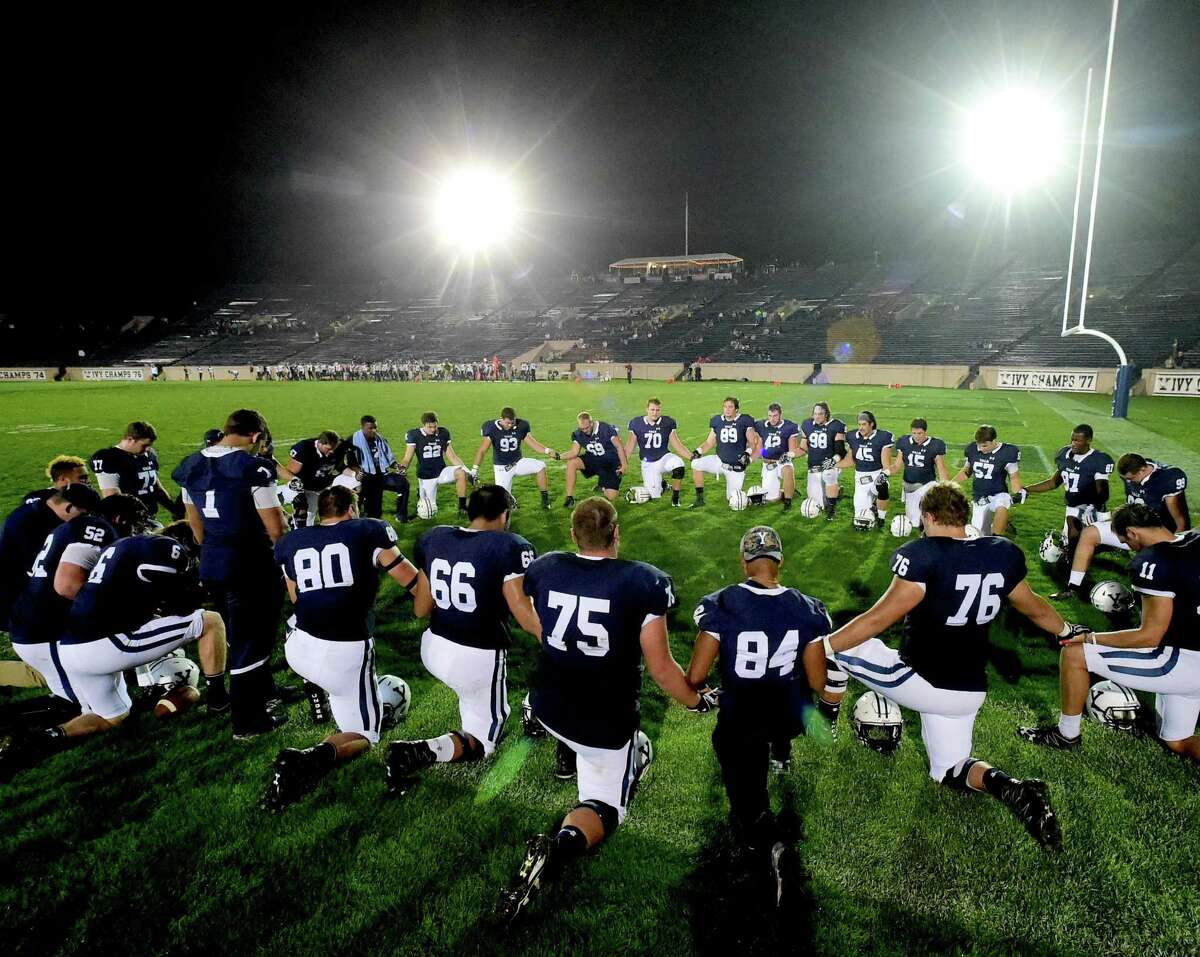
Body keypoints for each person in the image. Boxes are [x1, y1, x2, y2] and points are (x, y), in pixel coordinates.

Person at [801, 482, 1083, 847]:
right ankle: (1013, 788)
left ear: (929, 516)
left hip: (922, 681)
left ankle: (826, 719)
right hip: (969, 691)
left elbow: (877, 619)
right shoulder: (1001, 553)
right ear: (962, 516)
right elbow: (1034, 607)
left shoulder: (924, 554)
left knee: (835, 647)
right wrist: (1067, 630)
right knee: (949, 771)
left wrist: (823, 646)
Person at [496, 498, 715, 921]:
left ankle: (566, 752)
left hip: (547, 704)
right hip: (601, 720)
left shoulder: (546, 566)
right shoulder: (643, 581)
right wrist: (696, 701)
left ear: (573, 535)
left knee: (573, 714)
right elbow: (661, 667)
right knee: (608, 804)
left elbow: (530, 609)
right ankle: (558, 849)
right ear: (616, 533)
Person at [686, 526, 831, 904]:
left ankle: (770, 843)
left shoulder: (723, 603)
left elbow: (696, 676)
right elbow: (819, 681)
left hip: (743, 717)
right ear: (780, 561)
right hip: (789, 714)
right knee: (787, 691)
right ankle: (781, 750)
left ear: (744, 562)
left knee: (745, 793)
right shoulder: (808, 607)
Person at [264, 486, 427, 808]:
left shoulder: (291, 541)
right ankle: (306, 760)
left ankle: (316, 683)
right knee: (366, 733)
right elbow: (411, 582)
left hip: (298, 646)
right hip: (344, 652)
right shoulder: (368, 531)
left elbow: (295, 597)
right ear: (352, 509)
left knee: (310, 629)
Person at [385, 486, 540, 789]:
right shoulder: (510, 546)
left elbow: (420, 609)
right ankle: (418, 751)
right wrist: (558, 645)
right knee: (484, 741)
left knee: (471, 696)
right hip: (476, 656)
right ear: (504, 515)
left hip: (433, 648)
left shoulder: (435, 537)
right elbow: (524, 614)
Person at [1020, 504, 1200, 763]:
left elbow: (1149, 636)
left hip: (1184, 662)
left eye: (1126, 541)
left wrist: (1090, 637)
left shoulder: (1153, 561)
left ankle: (1066, 735)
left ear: (1132, 532)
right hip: (1192, 657)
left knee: (1075, 654)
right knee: (1177, 740)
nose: (1129, 547)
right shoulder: (1194, 538)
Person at [173, 408, 290, 738]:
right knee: (251, 641)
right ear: (255, 436)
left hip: (214, 563)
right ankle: (247, 721)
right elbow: (276, 528)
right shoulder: (252, 468)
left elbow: (195, 526)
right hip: (251, 564)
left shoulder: (191, 465)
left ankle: (265, 693)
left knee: (242, 634)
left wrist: (213, 551)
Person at [6, 490, 129, 712]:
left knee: (86, 699)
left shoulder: (62, 528)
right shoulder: (91, 527)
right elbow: (67, 587)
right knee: (82, 708)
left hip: (37, 624)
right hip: (43, 632)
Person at [1052, 453, 1190, 601]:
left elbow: (1180, 520)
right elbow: (1131, 505)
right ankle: (1073, 587)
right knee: (1089, 533)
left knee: (1151, 580)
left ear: (1143, 470)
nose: (1128, 482)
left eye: (1131, 478)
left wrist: (1174, 552)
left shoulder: (1167, 479)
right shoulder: (1133, 472)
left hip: (1158, 536)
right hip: (1131, 529)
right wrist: (1096, 509)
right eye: (1126, 478)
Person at [0, 484, 100, 631]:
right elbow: (41, 572)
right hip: (13, 601)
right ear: (69, 508)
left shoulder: (42, 511)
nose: (87, 521)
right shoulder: (30, 525)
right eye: (85, 515)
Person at [1023, 424, 1114, 562]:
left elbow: (1103, 493)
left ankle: (1074, 565)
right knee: (1071, 545)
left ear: (1088, 440)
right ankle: (1088, 552)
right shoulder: (1065, 455)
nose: (1073, 443)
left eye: (1078, 440)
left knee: (1075, 546)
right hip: (1072, 507)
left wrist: (1092, 507)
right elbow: (1053, 483)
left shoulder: (1097, 460)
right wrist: (1027, 489)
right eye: (1072, 439)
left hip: (1090, 508)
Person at [91, 421, 182, 520]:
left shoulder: (150, 455)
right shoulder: (110, 458)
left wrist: (174, 510)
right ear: (130, 439)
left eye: (149, 446)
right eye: (144, 445)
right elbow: (112, 498)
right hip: (127, 519)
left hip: (149, 517)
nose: (147, 449)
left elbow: (155, 486)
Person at [472, 407, 558, 509]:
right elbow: (482, 450)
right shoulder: (492, 428)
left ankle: (545, 499)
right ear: (501, 419)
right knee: (502, 502)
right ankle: (511, 500)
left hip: (518, 462)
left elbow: (532, 443)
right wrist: (475, 469)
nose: (510, 425)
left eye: (512, 422)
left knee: (540, 466)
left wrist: (547, 451)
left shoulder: (521, 425)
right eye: (507, 423)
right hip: (502, 467)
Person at [950, 425, 1021, 536]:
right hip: (979, 497)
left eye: (984, 446)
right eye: (978, 445)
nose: (980, 449)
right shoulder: (972, 449)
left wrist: (1018, 492)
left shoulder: (1007, 452)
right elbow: (966, 472)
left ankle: (997, 536)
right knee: (979, 535)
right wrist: (949, 484)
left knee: (1002, 504)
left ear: (994, 441)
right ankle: (1003, 524)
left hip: (998, 493)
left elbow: (1014, 476)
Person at [689, 396, 760, 508]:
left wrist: (747, 453)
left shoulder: (744, 421)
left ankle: (755, 497)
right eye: (725, 406)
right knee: (696, 464)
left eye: (730, 407)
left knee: (734, 501)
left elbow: (752, 442)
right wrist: (698, 451)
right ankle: (700, 499)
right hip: (719, 461)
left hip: (735, 466)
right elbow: (709, 443)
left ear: (736, 409)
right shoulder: (717, 421)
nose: (727, 409)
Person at [624, 398, 693, 506]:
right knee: (654, 495)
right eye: (652, 410)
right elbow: (629, 446)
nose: (655, 413)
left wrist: (692, 457)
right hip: (648, 463)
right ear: (647, 409)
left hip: (664, 458)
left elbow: (677, 444)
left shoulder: (667, 422)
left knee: (678, 464)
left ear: (661, 410)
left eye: (657, 410)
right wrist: (622, 463)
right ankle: (663, 485)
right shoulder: (636, 423)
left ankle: (675, 498)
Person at [402, 412, 473, 515]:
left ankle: (462, 507)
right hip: (426, 476)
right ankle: (421, 493)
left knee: (461, 473)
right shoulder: (414, 435)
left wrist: (468, 471)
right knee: (428, 512)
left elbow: (452, 456)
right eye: (430, 427)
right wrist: (402, 468)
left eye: (435, 426)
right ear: (423, 425)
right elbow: (407, 459)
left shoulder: (443, 433)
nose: (433, 429)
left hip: (441, 472)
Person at [889, 418, 948, 530]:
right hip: (910, 486)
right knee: (914, 523)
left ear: (925, 432)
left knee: (932, 515)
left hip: (927, 483)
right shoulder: (904, 442)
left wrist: (946, 487)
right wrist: (886, 472)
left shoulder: (935, 445)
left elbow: (941, 469)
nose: (916, 436)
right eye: (914, 433)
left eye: (919, 433)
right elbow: (897, 465)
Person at [837, 411, 893, 527]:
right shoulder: (853, 437)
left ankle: (881, 518)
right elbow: (850, 460)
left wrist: (884, 475)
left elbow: (886, 465)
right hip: (861, 479)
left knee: (882, 486)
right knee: (861, 519)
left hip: (877, 475)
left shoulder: (882, 437)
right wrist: (833, 465)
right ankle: (873, 506)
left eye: (864, 424)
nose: (861, 427)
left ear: (871, 424)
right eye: (859, 424)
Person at [560, 412, 627, 507]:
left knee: (611, 496)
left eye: (586, 428)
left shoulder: (605, 429)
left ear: (592, 423)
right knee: (572, 462)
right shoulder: (579, 433)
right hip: (594, 459)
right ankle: (569, 497)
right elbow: (574, 452)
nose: (584, 431)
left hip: (610, 462)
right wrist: (559, 456)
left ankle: (603, 485)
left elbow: (619, 447)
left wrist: (624, 465)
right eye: (582, 428)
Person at [351, 415, 411, 521]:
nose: (374, 430)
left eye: (375, 427)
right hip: (366, 477)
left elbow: (390, 460)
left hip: (382, 475)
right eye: (370, 428)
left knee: (403, 482)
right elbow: (350, 463)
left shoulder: (380, 440)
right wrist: (358, 472)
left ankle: (401, 515)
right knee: (374, 513)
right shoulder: (353, 441)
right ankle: (358, 516)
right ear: (363, 427)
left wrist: (397, 467)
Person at [798, 401, 847, 520]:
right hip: (814, 467)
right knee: (819, 505)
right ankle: (837, 491)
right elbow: (803, 448)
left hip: (831, 465)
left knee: (828, 474)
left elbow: (841, 450)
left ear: (826, 414)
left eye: (820, 414)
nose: (817, 416)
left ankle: (832, 510)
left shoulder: (836, 426)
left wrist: (833, 460)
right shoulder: (807, 424)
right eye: (815, 414)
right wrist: (790, 454)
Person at [283, 430, 344, 527]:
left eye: (334, 448)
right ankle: (280, 497)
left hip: (319, 487)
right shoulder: (303, 448)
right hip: (301, 485)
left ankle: (292, 520)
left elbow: (340, 468)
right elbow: (289, 473)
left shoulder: (339, 449)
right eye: (329, 449)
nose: (332, 451)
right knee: (301, 506)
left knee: (310, 517)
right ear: (320, 443)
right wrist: (298, 491)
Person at [754, 403, 799, 510]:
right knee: (771, 499)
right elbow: (760, 446)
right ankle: (787, 491)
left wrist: (788, 456)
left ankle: (788, 502)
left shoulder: (789, 427)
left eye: (775, 416)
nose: (772, 419)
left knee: (788, 469)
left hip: (783, 461)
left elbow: (792, 449)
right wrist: (764, 455)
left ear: (780, 415)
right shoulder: (762, 426)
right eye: (770, 416)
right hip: (769, 464)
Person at [20, 455, 90, 506]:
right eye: (82, 477)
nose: (88, 481)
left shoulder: (88, 497)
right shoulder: (37, 499)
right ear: (63, 479)